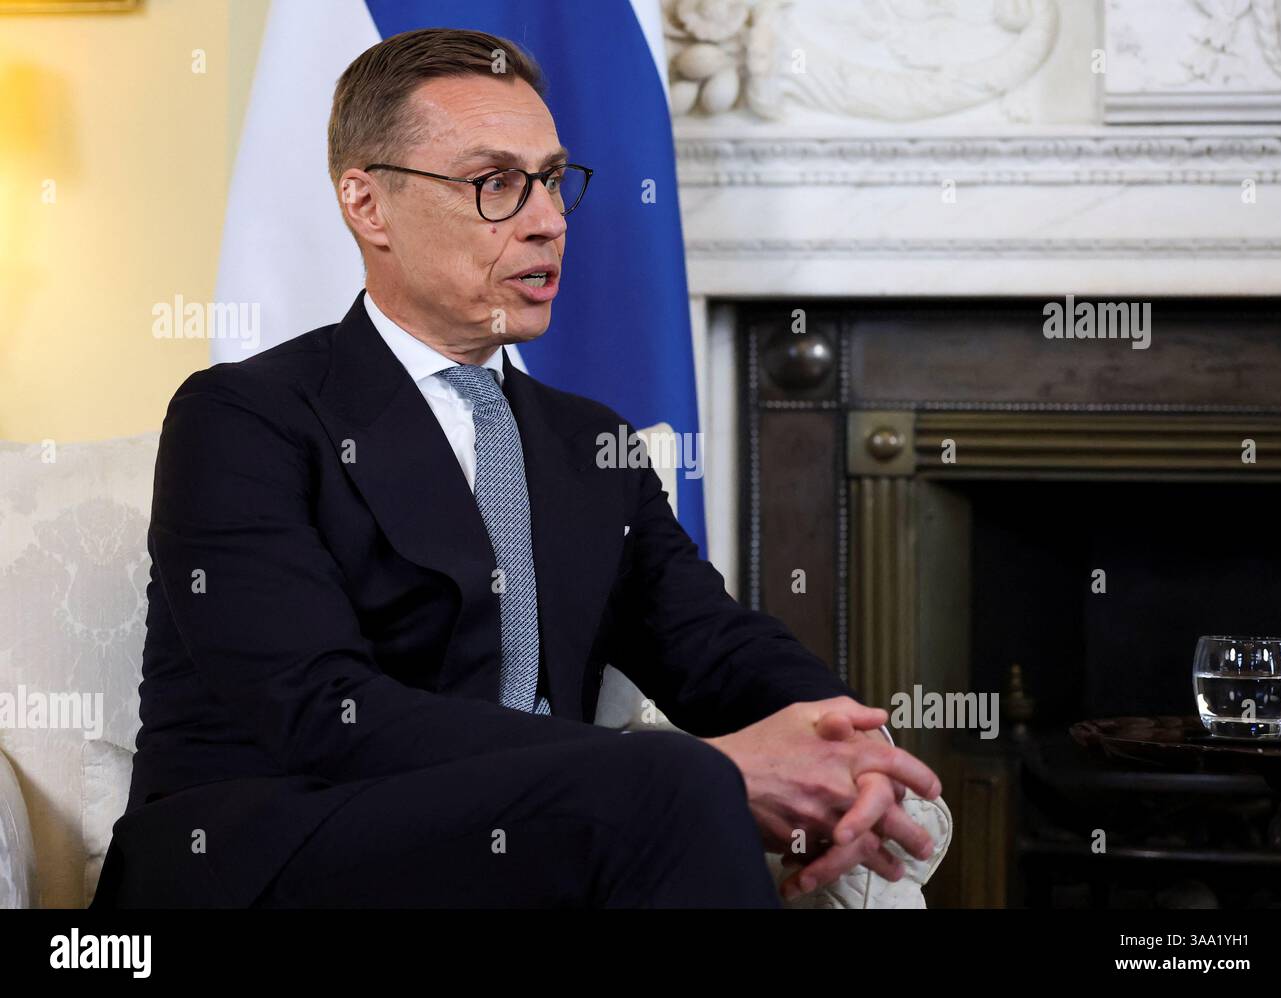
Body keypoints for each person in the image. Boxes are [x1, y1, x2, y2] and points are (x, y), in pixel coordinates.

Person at [91, 27, 940, 909]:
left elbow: (712, 641)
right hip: (264, 850)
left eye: (552, 180)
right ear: (367, 204)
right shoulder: (242, 417)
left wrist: (841, 741)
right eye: (496, 183)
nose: (547, 220)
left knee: (677, 793)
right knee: (677, 787)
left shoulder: (591, 443)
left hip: (537, 834)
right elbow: (318, 710)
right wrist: (713, 766)